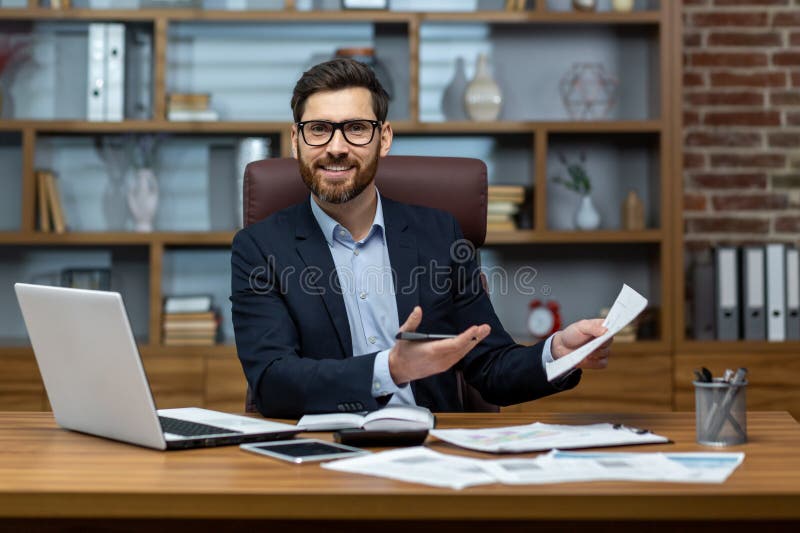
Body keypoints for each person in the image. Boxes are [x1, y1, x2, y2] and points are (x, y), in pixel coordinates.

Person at [231, 58, 612, 418]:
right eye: (319, 129)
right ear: (295, 140)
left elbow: (490, 366)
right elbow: (273, 381)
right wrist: (388, 369)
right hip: (324, 452)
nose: (336, 147)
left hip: (431, 452)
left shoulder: (440, 236)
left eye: (357, 128)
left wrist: (557, 351)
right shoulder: (259, 249)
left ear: (384, 138)